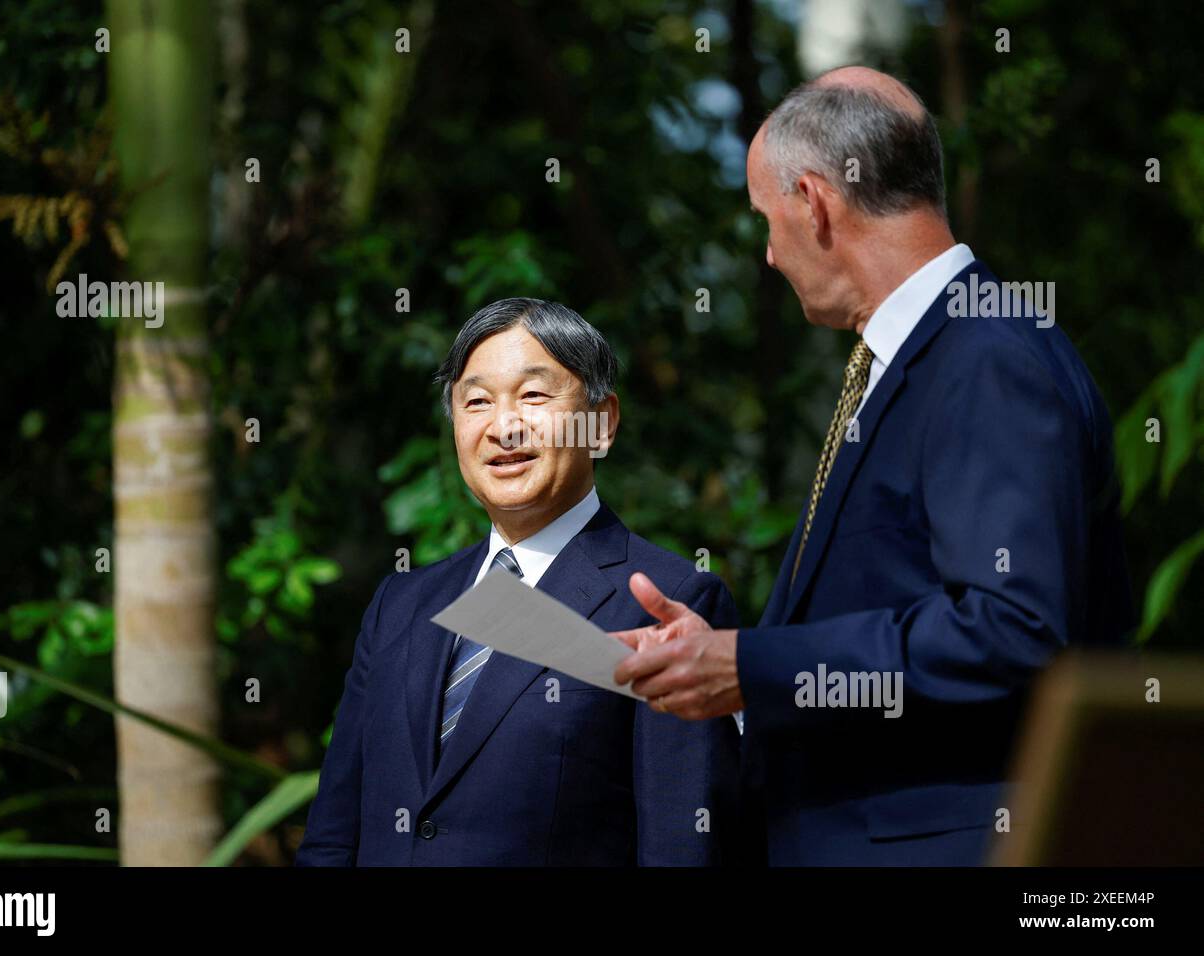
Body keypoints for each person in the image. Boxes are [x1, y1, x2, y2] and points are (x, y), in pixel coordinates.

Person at [612, 67, 1133, 865]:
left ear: (814, 202)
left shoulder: (986, 357)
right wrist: (729, 664)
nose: (769, 254)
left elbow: (1012, 629)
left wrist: (751, 664)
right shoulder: (934, 352)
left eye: (767, 219)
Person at [297, 297, 741, 865]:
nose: (503, 427)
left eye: (533, 396)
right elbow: (335, 836)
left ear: (601, 423)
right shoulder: (402, 603)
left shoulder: (667, 600)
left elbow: (683, 846)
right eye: (476, 402)